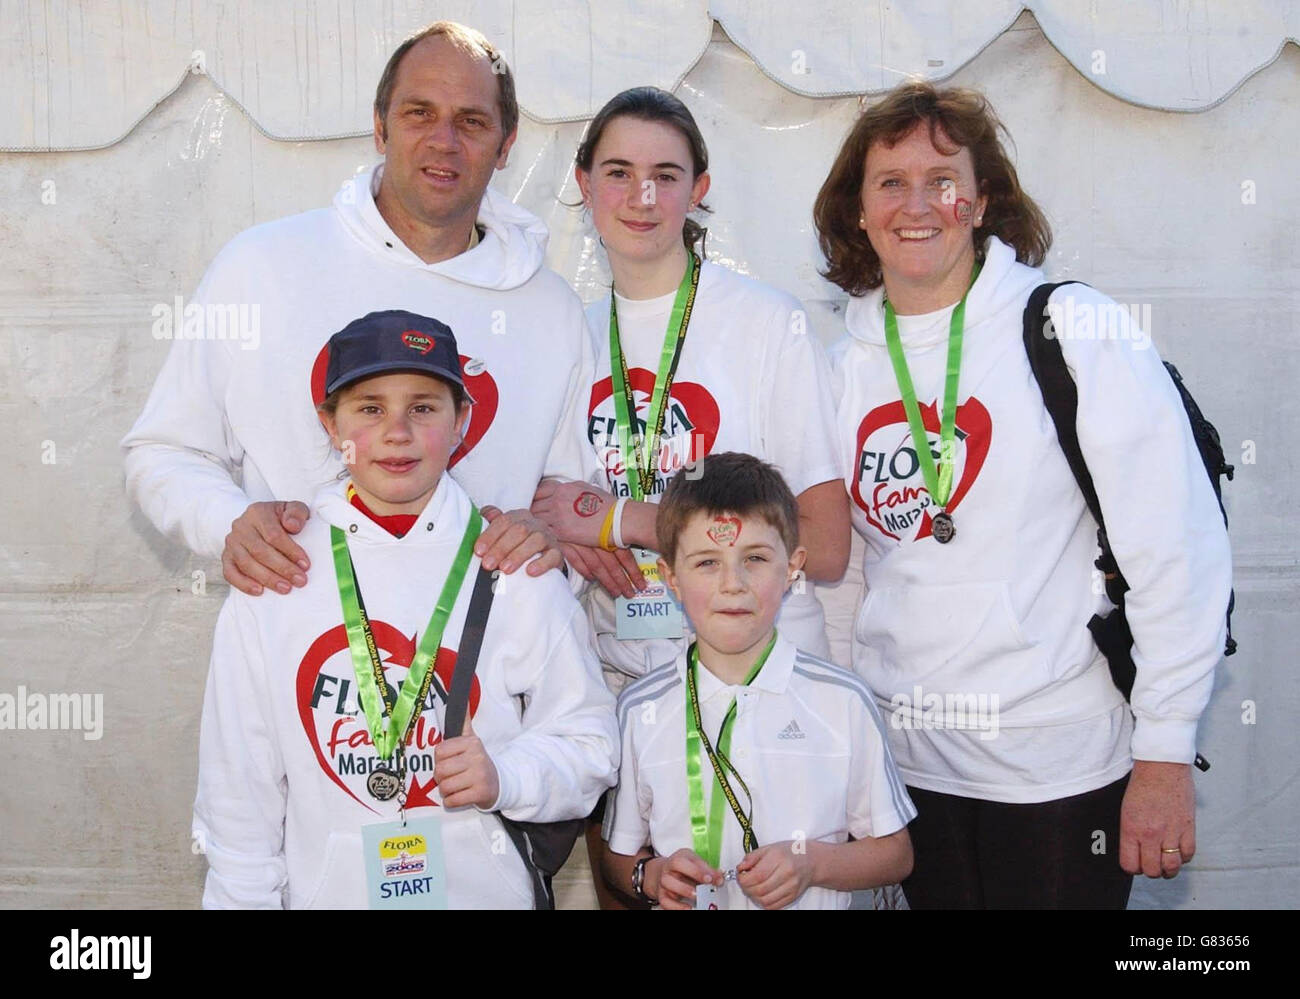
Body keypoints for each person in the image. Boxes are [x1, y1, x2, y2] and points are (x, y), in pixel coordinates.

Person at [814, 81, 1233, 908]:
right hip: (910, 770)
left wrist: (1166, 752)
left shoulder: (1073, 328)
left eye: (942, 178)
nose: (916, 203)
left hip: (1061, 766)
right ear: (856, 211)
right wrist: (842, 748)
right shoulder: (841, 363)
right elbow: (848, 576)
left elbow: (1174, 547)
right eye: (889, 182)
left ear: (981, 199)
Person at [122, 21, 607, 596]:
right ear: (379, 127)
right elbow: (164, 451)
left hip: (484, 666)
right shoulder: (262, 268)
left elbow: (575, 496)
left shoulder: (550, 310)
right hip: (301, 650)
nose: (443, 141)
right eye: (418, 113)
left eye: (471, 122)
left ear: (506, 145)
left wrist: (550, 543)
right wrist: (229, 523)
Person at [527, 87, 851, 906]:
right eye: (620, 172)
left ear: (699, 187)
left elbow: (827, 538)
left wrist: (623, 520)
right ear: (584, 182)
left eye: (666, 174)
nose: (643, 197)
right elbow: (544, 507)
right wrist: (565, 531)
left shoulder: (764, 322)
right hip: (628, 702)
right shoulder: (564, 330)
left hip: (767, 700)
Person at [193, 310, 618, 908]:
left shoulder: (512, 563)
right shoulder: (279, 571)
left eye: (423, 407)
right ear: (328, 422)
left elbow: (591, 743)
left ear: (461, 421)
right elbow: (239, 786)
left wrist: (508, 777)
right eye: (370, 408)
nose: (397, 431)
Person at [601, 452, 914, 910]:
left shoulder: (843, 700)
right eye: (707, 563)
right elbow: (619, 855)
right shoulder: (638, 708)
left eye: (756, 558)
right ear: (671, 576)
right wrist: (652, 876)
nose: (734, 583)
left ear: (792, 568)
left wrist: (813, 864)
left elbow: (896, 854)